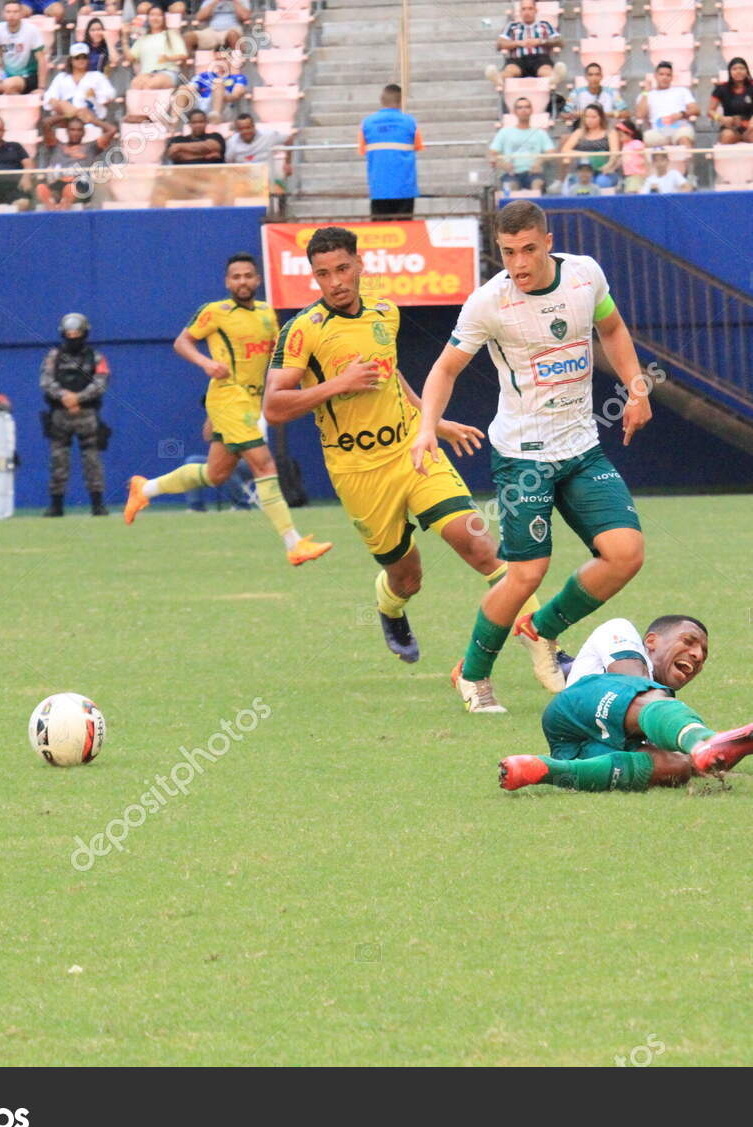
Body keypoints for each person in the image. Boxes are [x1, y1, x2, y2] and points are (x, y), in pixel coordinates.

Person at [263, 226, 545, 669]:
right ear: (313, 277)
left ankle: (545, 644)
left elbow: (390, 373)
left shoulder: (384, 313)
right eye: (323, 274)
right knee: (407, 577)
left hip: (412, 450)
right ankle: (390, 608)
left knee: (478, 544)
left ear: (360, 265)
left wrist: (433, 421)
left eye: (342, 269)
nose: (335, 281)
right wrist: (339, 384)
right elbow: (275, 405)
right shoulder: (302, 331)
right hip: (358, 472)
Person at [414, 199, 653, 714]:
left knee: (626, 554)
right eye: (506, 252)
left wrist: (636, 388)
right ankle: (471, 675)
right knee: (526, 574)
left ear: (547, 241)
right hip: (523, 456)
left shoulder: (586, 275)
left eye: (527, 249)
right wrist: (425, 428)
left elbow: (611, 329)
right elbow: (444, 369)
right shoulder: (488, 303)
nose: (518, 263)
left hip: (582, 447)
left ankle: (540, 630)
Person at [125, 253, 331, 565]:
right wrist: (206, 363)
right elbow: (182, 342)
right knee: (264, 465)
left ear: (257, 280)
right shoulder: (215, 312)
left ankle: (145, 488)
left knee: (215, 474)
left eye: (248, 276)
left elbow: (278, 352)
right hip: (227, 398)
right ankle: (294, 543)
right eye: (236, 277)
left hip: (251, 402)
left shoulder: (266, 313)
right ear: (227, 282)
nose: (243, 282)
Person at [498, 614, 753, 792]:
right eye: (689, 641)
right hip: (572, 711)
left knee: (677, 765)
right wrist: (699, 741)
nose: (698, 655)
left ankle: (542, 769)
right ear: (651, 641)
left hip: (581, 748)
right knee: (675, 731)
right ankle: (703, 741)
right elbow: (633, 684)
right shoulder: (621, 633)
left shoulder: (660, 708)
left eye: (703, 654)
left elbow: (708, 761)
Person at [41, 312, 111, 517]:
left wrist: (77, 399)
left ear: (85, 333)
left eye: (77, 333)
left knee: (92, 459)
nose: (73, 337)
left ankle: (98, 504)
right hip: (59, 415)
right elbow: (46, 381)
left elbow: (101, 381)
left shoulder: (95, 357)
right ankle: (56, 505)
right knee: (58, 460)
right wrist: (64, 396)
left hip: (87, 414)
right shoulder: (53, 356)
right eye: (69, 333)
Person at [360, 83, 421, 220]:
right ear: (401, 101)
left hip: (379, 187)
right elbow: (418, 146)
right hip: (405, 187)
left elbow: (362, 149)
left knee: (381, 231)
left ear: (381, 100)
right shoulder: (410, 122)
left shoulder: (367, 123)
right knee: (405, 230)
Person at [36, 116, 114, 210]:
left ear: (83, 132)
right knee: (41, 188)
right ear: (67, 131)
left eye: (79, 130)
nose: (75, 133)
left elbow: (112, 130)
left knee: (69, 189)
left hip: (80, 185)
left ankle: (63, 211)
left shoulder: (91, 147)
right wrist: (66, 115)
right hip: (58, 183)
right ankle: (52, 213)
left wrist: (91, 120)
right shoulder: (56, 145)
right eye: (72, 129)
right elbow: (45, 124)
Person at [0, 1, 50, 104]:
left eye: (15, 12)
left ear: (21, 13)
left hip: (28, 76)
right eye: (8, 12)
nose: (11, 15)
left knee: (9, 85)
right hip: (7, 76)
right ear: (3, 14)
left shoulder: (31, 30)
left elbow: (41, 59)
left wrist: (41, 87)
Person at [489, 96, 555, 196]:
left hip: (533, 173)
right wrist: (503, 164)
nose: (524, 110)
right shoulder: (505, 132)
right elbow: (492, 153)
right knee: (512, 185)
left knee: (537, 184)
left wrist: (539, 161)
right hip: (511, 173)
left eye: (527, 107)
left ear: (531, 110)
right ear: (514, 111)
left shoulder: (540, 133)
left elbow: (551, 152)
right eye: (520, 107)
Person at [487, 0, 563, 84]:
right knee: (511, 70)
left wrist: (540, 41)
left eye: (530, 9)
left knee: (544, 69)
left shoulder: (545, 25)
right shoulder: (512, 26)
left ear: (535, 10)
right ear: (520, 12)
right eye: (524, 9)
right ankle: (499, 78)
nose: (527, 12)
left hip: (540, 58)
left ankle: (553, 77)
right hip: (518, 59)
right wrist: (518, 43)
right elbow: (499, 44)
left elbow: (560, 41)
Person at [45, 43, 116, 128]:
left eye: (84, 57)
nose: (81, 60)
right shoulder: (61, 77)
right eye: (77, 58)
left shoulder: (97, 76)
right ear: (71, 60)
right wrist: (59, 103)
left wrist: (96, 93)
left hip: (91, 119)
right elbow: (49, 97)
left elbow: (111, 94)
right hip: (68, 119)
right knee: (61, 105)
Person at [127, 6, 190, 96]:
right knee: (135, 84)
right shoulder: (143, 38)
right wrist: (124, 39)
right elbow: (130, 58)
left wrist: (168, 58)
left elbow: (184, 55)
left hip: (168, 72)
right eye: (152, 15)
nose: (155, 18)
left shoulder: (171, 34)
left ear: (164, 18)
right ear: (148, 18)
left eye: (159, 15)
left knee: (150, 85)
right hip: (146, 73)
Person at [637, 61, 698, 153]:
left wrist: (680, 115)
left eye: (668, 75)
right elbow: (640, 115)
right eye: (661, 74)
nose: (664, 77)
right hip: (658, 131)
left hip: (679, 128)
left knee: (684, 139)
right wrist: (645, 92)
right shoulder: (646, 95)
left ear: (671, 77)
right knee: (642, 143)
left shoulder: (681, 91)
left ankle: (687, 166)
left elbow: (696, 110)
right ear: (655, 76)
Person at [561, 102, 621, 189]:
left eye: (593, 117)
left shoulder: (610, 133)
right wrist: (587, 155)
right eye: (587, 117)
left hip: (605, 171)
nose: (589, 120)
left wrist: (608, 166)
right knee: (578, 182)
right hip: (583, 171)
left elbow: (614, 153)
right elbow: (565, 150)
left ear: (601, 118)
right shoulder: (579, 132)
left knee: (602, 182)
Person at [710, 56, 753, 145]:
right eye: (734, 69)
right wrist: (721, 118)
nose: (738, 71)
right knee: (727, 136)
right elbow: (710, 111)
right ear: (729, 72)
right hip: (730, 127)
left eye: (742, 68)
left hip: (750, 127)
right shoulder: (722, 88)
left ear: (747, 71)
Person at [562, 61, 625, 126]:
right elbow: (564, 114)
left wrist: (605, 114)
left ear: (601, 76)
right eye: (590, 75)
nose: (594, 78)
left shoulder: (612, 92)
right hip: (583, 130)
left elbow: (626, 113)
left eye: (597, 75)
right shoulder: (576, 93)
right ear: (586, 77)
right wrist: (577, 114)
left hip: (606, 130)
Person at [191, 49, 247, 121]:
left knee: (218, 84)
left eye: (224, 59)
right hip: (202, 106)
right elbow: (191, 88)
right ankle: (173, 123)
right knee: (183, 89)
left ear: (229, 60)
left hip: (224, 108)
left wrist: (218, 96)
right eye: (217, 59)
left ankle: (215, 115)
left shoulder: (237, 77)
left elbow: (236, 95)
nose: (220, 62)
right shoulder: (203, 76)